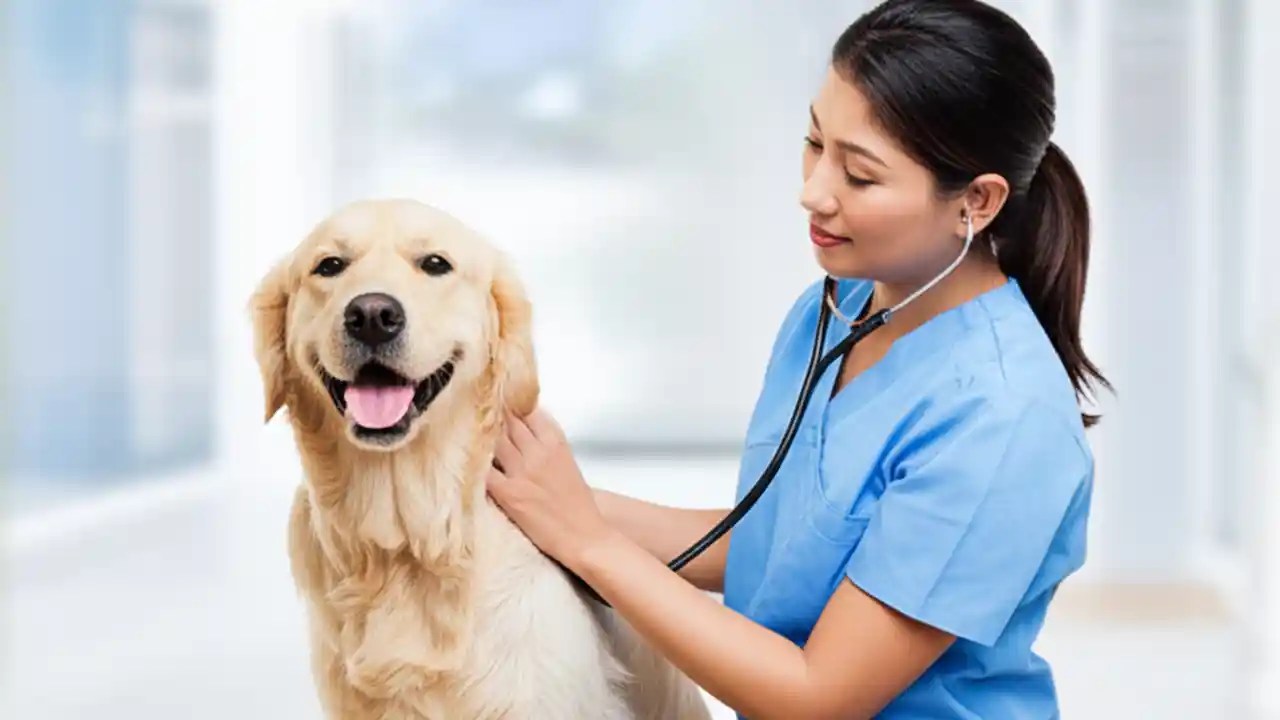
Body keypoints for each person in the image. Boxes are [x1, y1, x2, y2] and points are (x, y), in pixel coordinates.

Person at [484, 0, 1111, 717]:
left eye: (861, 176)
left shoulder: (1003, 419)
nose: (812, 192)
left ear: (977, 200)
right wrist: (531, 495)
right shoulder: (837, 308)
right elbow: (775, 553)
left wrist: (589, 541)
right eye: (815, 144)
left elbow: (818, 696)